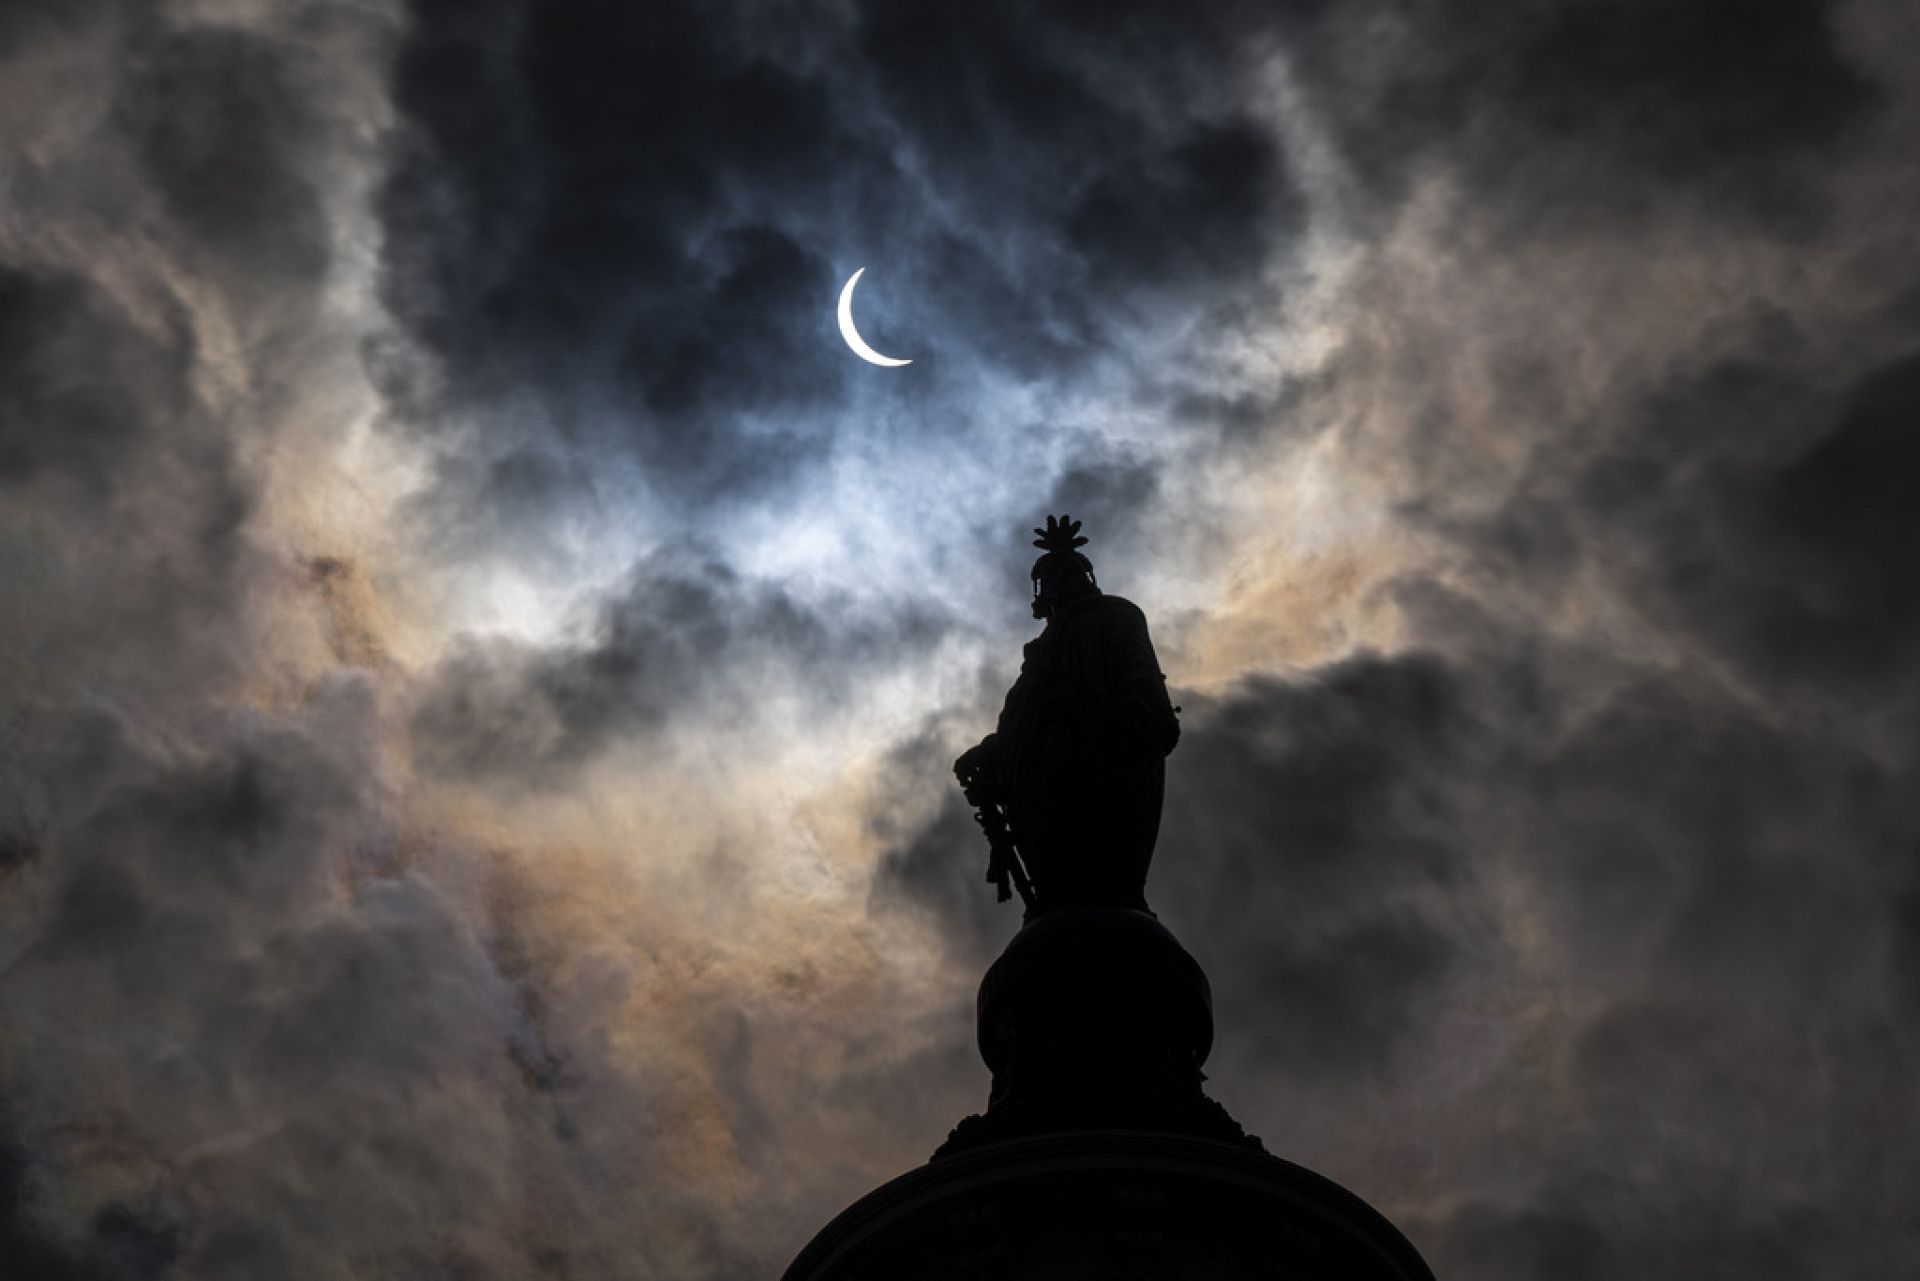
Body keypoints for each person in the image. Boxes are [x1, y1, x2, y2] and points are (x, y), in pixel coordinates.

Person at [954, 515, 1180, 916]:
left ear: (1087, 578)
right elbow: (1022, 727)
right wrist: (990, 754)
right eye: (1052, 575)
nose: (1061, 581)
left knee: (1100, 886)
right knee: (1056, 893)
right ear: (1039, 595)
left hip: (1101, 770)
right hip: (1040, 792)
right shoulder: (1039, 656)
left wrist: (1087, 714)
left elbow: (1144, 695)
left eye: (1069, 571)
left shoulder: (1117, 617)